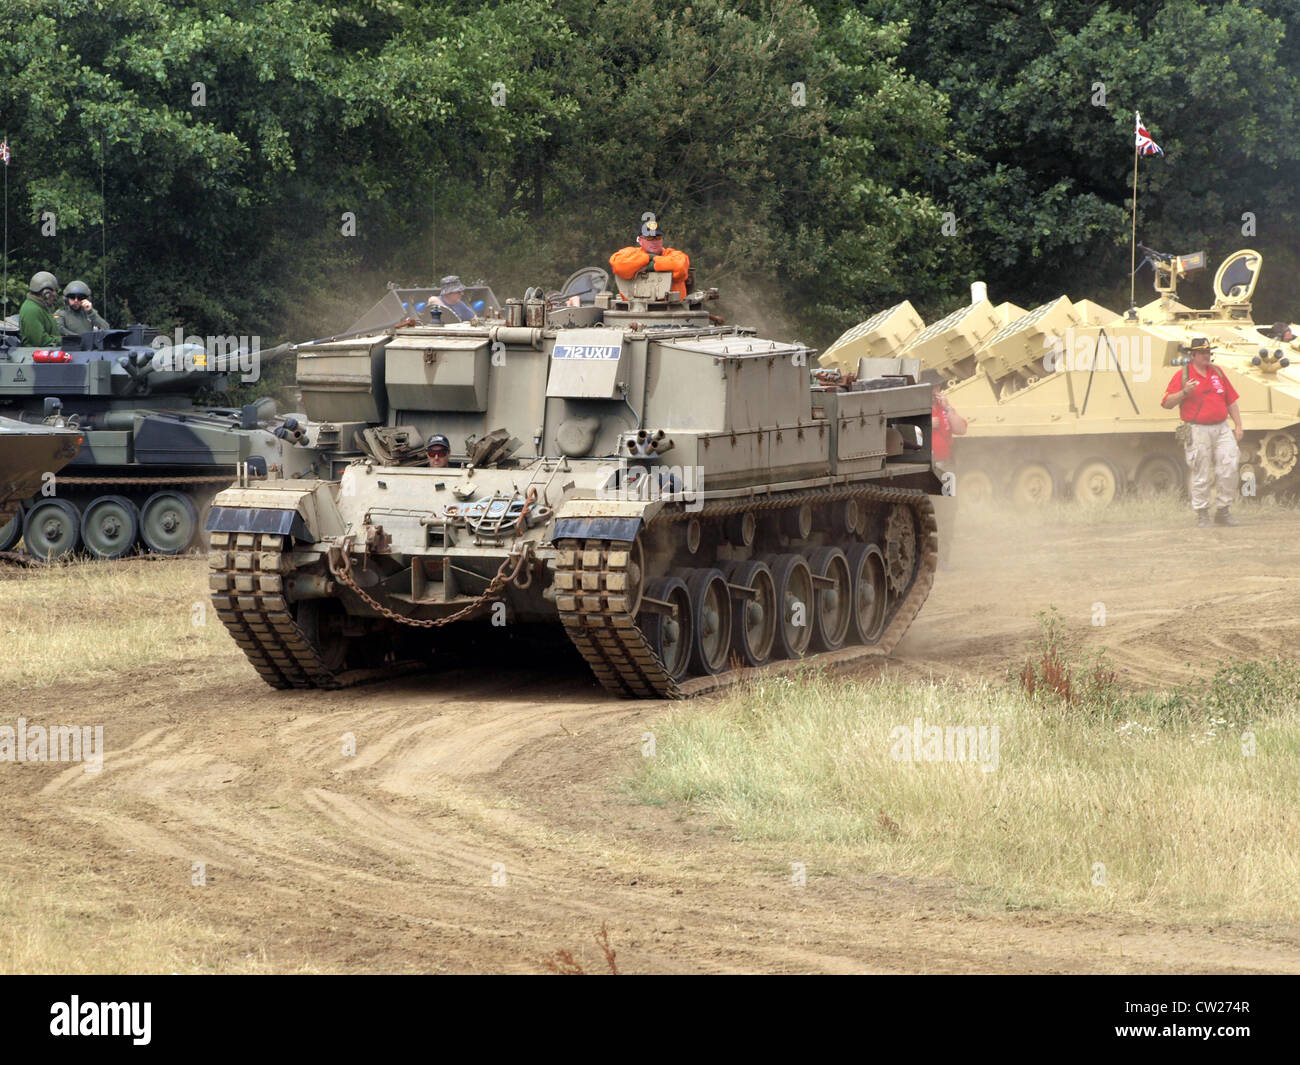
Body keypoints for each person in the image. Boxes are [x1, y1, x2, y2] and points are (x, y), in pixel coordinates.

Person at [1161, 337, 1243, 527]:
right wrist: (1185, 391)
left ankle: (1223, 511)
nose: (1207, 355)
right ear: (1194, 355)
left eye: (1209, 352)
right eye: (1203, 352)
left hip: (1222, 427)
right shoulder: (1183, 375)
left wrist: (1238, 425)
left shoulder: (1217, 372)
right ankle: (1202, 513)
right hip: (1197, 428)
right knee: (1201, 471)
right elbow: (1166, 403)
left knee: (1229, 465)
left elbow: (1231, 400)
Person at [609, 218, 690, 300]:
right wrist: (649, 258)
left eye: (657, 237)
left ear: (662, 239)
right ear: (640, 240)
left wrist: (649, 266)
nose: (654, 241)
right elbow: (619, 266)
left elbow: (680, 267)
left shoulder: (675, 255)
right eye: (649, 238)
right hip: (634, 309)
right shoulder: (630, 253)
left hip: (671, 310)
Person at [18, 271, 63, 347]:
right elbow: (41, 341)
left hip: (49, 353)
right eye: (54, 291)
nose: (55, 294)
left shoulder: (41, 307)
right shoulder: (31, 310)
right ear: (46, 292)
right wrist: (64, 340)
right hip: (35, 356)